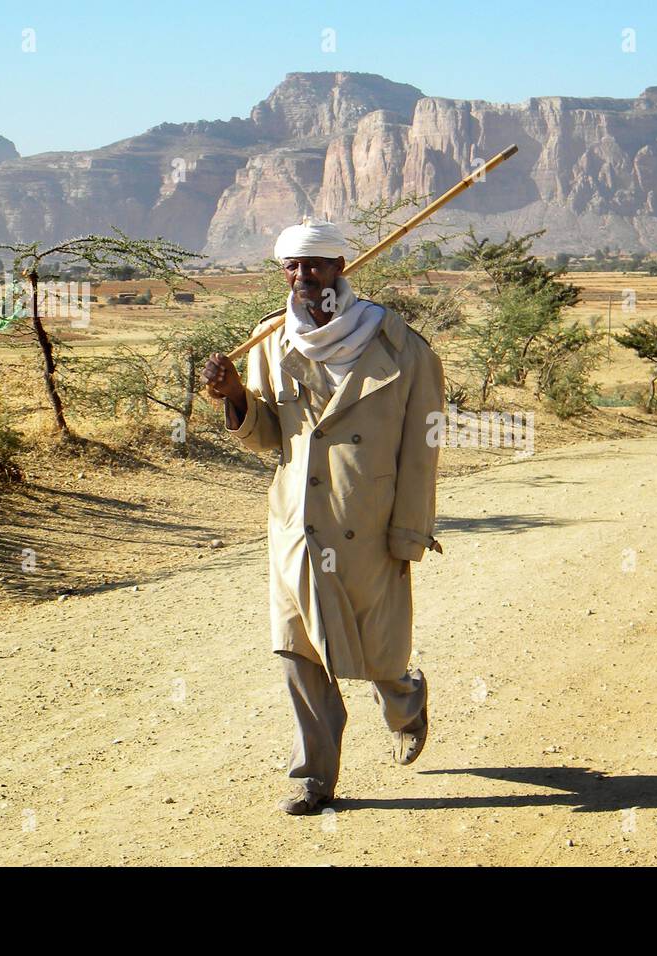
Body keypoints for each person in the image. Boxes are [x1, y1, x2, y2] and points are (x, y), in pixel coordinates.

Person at [202, 218, 444, 816]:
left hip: (370, 524)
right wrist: (234, 395)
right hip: (297, 525)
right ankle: (315, 777)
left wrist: (410, 530)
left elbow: (422, 450)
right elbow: (265, 436)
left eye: (315, 265)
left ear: (342, 267)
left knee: (380, 652)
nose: (304, 277)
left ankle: (405, 702)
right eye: (292, 267)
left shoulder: (400, 347)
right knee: (298, 648)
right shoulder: (268, 342)